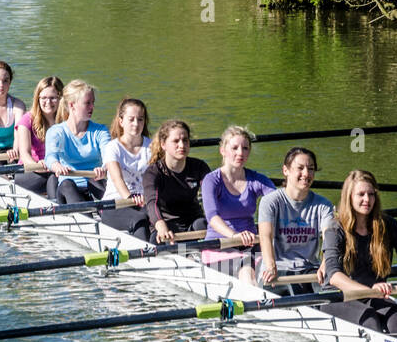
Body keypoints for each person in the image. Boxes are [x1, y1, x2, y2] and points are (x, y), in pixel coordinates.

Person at [320, 170, 397, 334]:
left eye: (371, 194)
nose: (367, 200)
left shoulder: (386, 224)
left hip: (374, 294)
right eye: (361, 194)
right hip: (337, 297)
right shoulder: (335, 229)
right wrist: (369, 290)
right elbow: (334, 276)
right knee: (370, 319)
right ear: (349, 197)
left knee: (395, 316)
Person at [201, 126, 275, 283]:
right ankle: (255, 299)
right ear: (223, 150)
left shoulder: (257, 179)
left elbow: (278, 201)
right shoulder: (211, 180)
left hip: (250, 243)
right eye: (234, 148)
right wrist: (235, 236)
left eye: (245, 148)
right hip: (220, 245)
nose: (240, 153)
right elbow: (212, 217)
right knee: (248, 267)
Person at [257, 147, 334, 292]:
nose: (306, 174)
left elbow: (330, 239)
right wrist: (271, 266)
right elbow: (265, 236)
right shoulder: (270, 201)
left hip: (311, 270)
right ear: (285, 171)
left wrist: (325, 265)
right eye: (300, 168)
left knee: (330, 291)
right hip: (277, 270)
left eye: (311, 169)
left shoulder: (324, 205)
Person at [142, 120, 211, 244]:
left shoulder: (199, 167)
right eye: (176, 141)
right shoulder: (153, 173)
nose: (182, 145)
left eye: (185, 140)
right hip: (166, 224)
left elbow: (213, 195)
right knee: (158, 239)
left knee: (203, 224)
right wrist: (161, 226)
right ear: (163, 144)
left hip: (194, 223)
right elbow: (152, 203)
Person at [45, 80, 111, 204]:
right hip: (67, 189)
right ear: (72, 105)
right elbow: (50, 157)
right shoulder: (56, 132)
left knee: (97, 182)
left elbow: (109, 155)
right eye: (87, 103)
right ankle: (86, 217)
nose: (92, 107)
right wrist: (56, 165)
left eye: (93, 103)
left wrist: (105, 167)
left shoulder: (100, 131)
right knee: (67, 184)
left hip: (94, 183)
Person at [98, 98, 153, 240]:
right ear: (121, 121)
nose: (136, 124)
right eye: (131, 119)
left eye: (140, 119)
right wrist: (131, 198)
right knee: (141, 219)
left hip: (144, 202)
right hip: (115, 204)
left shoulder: (152, 146)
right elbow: (117, 179)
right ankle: (147, 256)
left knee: (160, 219)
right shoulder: (113, 147)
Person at [13, 75, 64, 195]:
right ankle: (56, 207)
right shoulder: (27, 120)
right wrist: (37, 166)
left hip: (57, 169)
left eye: (53, 98)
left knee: (58, 175)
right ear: (38, 99)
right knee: (54, 176)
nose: (48, 102)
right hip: (30, 171)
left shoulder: (66, 121)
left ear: (61, 98)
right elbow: (24, 154)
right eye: (44, 98)